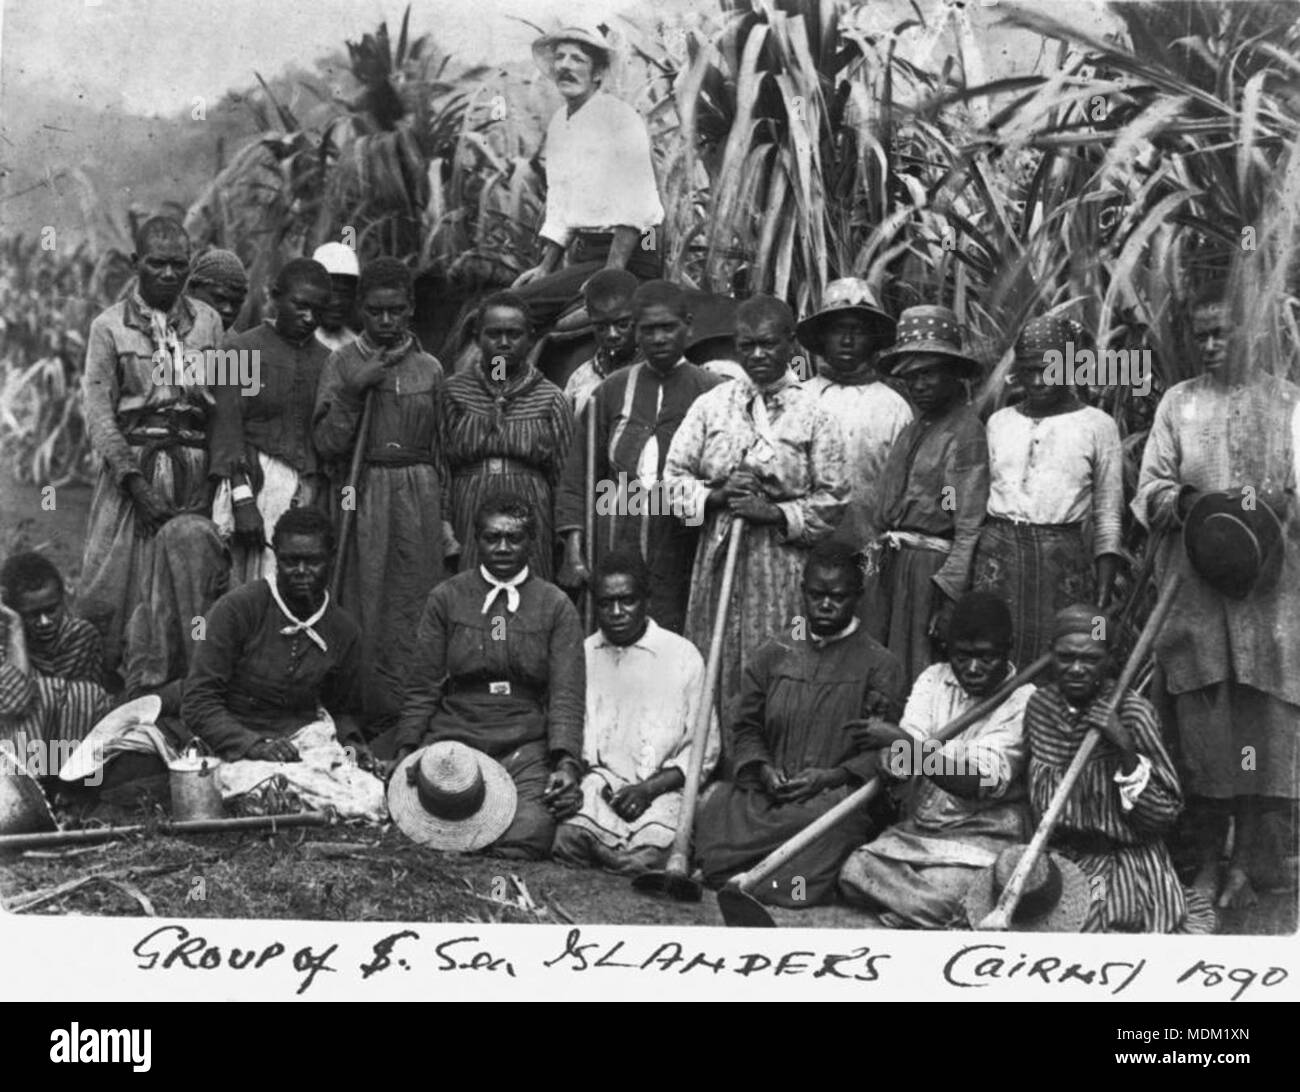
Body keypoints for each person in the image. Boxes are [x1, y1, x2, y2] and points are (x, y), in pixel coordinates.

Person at [1133, 286, 1300, 909]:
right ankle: (1205, 859)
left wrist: (1268, 509)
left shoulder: (1287, 403)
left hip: (1270, 593)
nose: (1210, 344)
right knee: (1206, 718)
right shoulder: (1179, 404)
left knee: (1269, 716)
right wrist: (1189, 504)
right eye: (1201, 334)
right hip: (1197, 590)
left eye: (1222, 332)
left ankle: (1260, 863)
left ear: (1252, 334)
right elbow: (1149, 486)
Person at [693, 542, 907, 907]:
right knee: (717, 809)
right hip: (769, 792)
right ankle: (745, 872)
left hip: (832, 797)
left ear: (857, 596)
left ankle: (754, 880)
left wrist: (831, 777)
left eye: (837, 597)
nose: (825, 605)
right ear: (802, 592)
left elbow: (883, 748)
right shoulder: (774, 653)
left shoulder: (879, 664)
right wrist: (761, 768)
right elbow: (745, 725)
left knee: (827, 832)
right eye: (816, 595)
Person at [663, 295, 849, 707]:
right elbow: (672, 480)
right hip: (718, 554)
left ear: (791, 344)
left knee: (777, 654)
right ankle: (710, 756)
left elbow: (834, 498)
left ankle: (762, 758)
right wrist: (716, 496)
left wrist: (774, 513)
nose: (759, 354)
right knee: (714, 654)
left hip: (781, 562)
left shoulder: (815, 414)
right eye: (747, 346)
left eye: (769, 344)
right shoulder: (711, 406)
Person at [388, 492, 585, 859]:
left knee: (534, 829)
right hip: (457, 732)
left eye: (514, 538)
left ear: (531, 543)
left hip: (522, 740)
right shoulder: (447, 597)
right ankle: (462, 830)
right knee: (415, 805)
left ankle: (458, 836)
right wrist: (407, 750)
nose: (503, 548)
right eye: (492, 538)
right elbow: (422, 685)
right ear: (476, 541)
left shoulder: (555, 605)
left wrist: (566, 763)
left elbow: (567, 695)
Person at [79, 216, 227, 679]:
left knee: (190, 582)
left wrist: (215, 481)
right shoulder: (108, 328)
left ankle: (185, 692)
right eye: (157, 264)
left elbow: (224, 406)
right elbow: (99, 413)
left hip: (195, 470)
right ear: (135, 263)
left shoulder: (209, 323)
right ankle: (113, 688)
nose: (168, 274)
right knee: (115, 586)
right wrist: (134, 483)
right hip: (134, 473)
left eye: (178, 266)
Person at [838, 591, 1036, 928]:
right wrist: (893, 758)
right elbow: (902, 754)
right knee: (855, 871)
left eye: (986, 657)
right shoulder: (934, 679)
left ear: (1008, 647)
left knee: (950, 885)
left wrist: (907, 747)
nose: (972, 668)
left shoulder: (1024, 700)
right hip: (923, 828)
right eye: (963, 656)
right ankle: (939, 911)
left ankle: (922, 908)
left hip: (984, 834)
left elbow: (976, 782)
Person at [313, 257, 455, 723]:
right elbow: (327, 444)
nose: (387, 321)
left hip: (419, 492)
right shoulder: (341, 362)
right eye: (376, 312)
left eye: (396, 310)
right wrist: (354, 390)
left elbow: (442, 448)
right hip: (363, 490)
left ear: (411, 308)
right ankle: (361, 710)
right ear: (362, 309)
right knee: (363, 597)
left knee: (414, 599)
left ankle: (413, 713)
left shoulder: (430, 369)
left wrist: (445, 515)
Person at [1024, 604, 1214, 933]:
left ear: (1110, 661)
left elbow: (1162, 817)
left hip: (1122, 861)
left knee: (1092, 925)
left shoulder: (1133, 714)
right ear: (1050, 655)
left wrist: (1125, 747)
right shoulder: (1040, 707)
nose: (1077, 669)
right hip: (1060, 857)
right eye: (1066, 657)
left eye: (1091, 659)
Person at [556, 280, 725, 632]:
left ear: (688, 325)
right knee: (614, 628)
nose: (659, 338)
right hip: (616, 526)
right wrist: (574, 551)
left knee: (674, 626)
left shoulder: (713, 392)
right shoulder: (610, 391)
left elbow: (720, 476)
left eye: (668, 328)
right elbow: (578, 477)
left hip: (680, 533)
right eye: (648, 330)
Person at [553, 550, 719, 875]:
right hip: (604, 783)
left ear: (646, 600)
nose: (616, 612)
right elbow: (574, 735)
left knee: (656, 851)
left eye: (627, 601)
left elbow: (704, 750)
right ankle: (621, 862)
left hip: (662, 788)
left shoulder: (682, 655)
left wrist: (648, 790)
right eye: (605, 603)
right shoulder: (584, 654)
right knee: (567, 839)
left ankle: (626, 860)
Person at [972, 316, 1123, 667]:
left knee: (1059, 661)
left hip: (1063, 564)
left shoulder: (1097, 426)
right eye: (1028, 370)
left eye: (1049, 368)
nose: (1038, 380)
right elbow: (974, 501)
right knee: (994, 654)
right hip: (998, 559)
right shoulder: (999, 422)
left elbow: (1108, 513)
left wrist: (1103, 586)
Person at [181, 507, 370, 761]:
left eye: (313, 561)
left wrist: (352, 745)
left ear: (331, 558)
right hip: (232, 742)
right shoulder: (237, 609)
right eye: (290, 561)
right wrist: (253, 746)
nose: (301, 570)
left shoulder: (343, 630)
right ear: (276, 557)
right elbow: (198, 701)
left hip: (304, 744)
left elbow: (343, 711)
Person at [511, 24, 664, 329]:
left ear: (597, 73)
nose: (565, 66)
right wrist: (546, 266)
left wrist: (612, 275)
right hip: (588, 253)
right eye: (560, 58)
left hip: (636, 250)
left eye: (577, 59)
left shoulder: (619, 118)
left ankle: (504, 374)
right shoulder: (560, 123)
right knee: (522, 298)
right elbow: (560, 204)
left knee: (515, 311)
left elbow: (636, 203)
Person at [871, 306, 989, 682]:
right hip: (894, 563)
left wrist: (950, 592)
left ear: (953, 374)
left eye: (929, 374)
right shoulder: (913, 428)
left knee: (918, 667)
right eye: (911, 377)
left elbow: (965, 523)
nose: (919, 386)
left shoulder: (963, 432)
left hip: (929, 570)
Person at [211, 258, 333, 585]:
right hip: (253, 482)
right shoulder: (240, 350)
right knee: (243, 581)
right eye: (300, 305)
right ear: (276, 297)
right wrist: (242, 500)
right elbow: (228, 428)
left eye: (318, 310)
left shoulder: (328, 362)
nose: (309, 318)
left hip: (305, 491)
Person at [442, 291, 574, 580]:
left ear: (530, 338)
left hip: (530, 507)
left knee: (528, 594)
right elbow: (439, 465)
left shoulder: (550, 397)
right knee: (471, 593)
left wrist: (563, 536)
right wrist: (444, 522)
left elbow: (564, 475)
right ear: (477, 338)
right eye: (494, 334)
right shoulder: (453, 392)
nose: (503, 343)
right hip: (469, 505)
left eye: (513, 334)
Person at [796, 278, 911, 551]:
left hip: (869, 547)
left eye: (857, 331)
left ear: (872, 340)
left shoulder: (894, 407)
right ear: (823, 337)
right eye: (838, 331)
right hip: (802, 546)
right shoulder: (799, 398)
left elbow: (904, 488)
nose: (847, 340)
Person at [0, 553, 110, 769]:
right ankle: (30, 789)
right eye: (31, 614)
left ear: (63, 601)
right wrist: (15, 627)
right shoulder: (5, 640)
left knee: (85, 694)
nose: (44, 622)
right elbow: (15, 702)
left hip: (66, 746)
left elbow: (83, 707)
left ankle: (75, 785)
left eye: (51, 610)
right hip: (14, 751)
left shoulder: (79, 636)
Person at [562, 268, 640, 415]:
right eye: (601, 328)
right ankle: (502, 377)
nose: (612, 334)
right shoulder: (580, 379)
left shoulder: (660, 374)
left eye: (622, 325)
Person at [311, 242, 361, 353]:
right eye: (330, 292)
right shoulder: (286, 344)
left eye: (344, 293)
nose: (337, 301)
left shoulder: (358, 349)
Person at [184, 249, 248, 332]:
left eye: (236, 303)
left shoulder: (237, 343)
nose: (228, 310)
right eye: (219, 299)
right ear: (192, 288)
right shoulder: (167, 332)